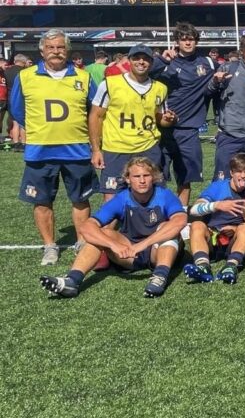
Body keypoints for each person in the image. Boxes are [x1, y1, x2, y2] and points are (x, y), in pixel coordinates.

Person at [9, 29, 98, 265]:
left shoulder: (84, 77)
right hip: (40, 150)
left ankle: (81, 240)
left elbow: (95, 111)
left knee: (80, 198)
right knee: (42, 200)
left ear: (67, 50)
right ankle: (50, 245)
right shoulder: (26, 76)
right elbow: (18, 111)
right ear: (42, 50)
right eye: (51, 47)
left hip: (77, 149)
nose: (56, 52)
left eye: (60, 47)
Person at [39, 157, 185, 298]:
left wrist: (142, 245)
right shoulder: (122, 198)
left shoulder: (164, 195)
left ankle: (159, 277)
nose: (142, 180)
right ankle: (72, 280)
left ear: (153, 177)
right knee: (101, 233)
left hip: (159, 252)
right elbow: (87, 227)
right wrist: (113, 245)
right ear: (128, 179)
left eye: (146, 175)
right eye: (136, 176)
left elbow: (180, 221)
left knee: (168, 227)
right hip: (129, 254)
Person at [88, 44, 175, 201]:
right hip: (116, 149)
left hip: (148, 147)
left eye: (146, 59)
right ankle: (111, 227)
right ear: (129, 60)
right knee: (112, 197)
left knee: (154, 195)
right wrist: (96, 150)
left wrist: (169, 119)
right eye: (136, 58)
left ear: (151, 62)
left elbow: (160, 119)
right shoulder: (109, 84)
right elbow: (96, 116)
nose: (141, 62)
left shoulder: (160, 88)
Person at [151, 22, 217, 205]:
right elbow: (143, 73)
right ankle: (160, 216)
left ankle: (181, 218)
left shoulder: (208, 63)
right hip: (163, 129)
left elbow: (230, 72)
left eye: (191, 39)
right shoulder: (166, 62)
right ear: (177, 42)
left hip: (188, 130)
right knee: (157, 178)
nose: (188, 43)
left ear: (196, 41)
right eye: (183, 39)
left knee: (185, 179)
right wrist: (162, 60)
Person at [183, 152, 245, 284]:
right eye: (238, 171)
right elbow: (194, 210)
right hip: (213, 238)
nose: (242, 175)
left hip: (236, 241)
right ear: (231, 173)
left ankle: (231, 267)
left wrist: (235, 228)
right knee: (197, 225)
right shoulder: (218, 187)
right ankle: (203, 266)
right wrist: (217, 205)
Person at [207, 34, 245, 182]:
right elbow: (207, 91)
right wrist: (215, 81)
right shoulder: (228, 68)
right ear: (242, 52)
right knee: (221, 182)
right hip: (229, 135)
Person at [4, 53, 31, 152]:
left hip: (10, 98)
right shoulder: (25, 72)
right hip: (21, 98)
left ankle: (15, 143)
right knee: (23, 122)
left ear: (15, 61)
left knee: (14, 122)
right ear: (24, 62)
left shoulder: (6, 71)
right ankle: (23, 143)